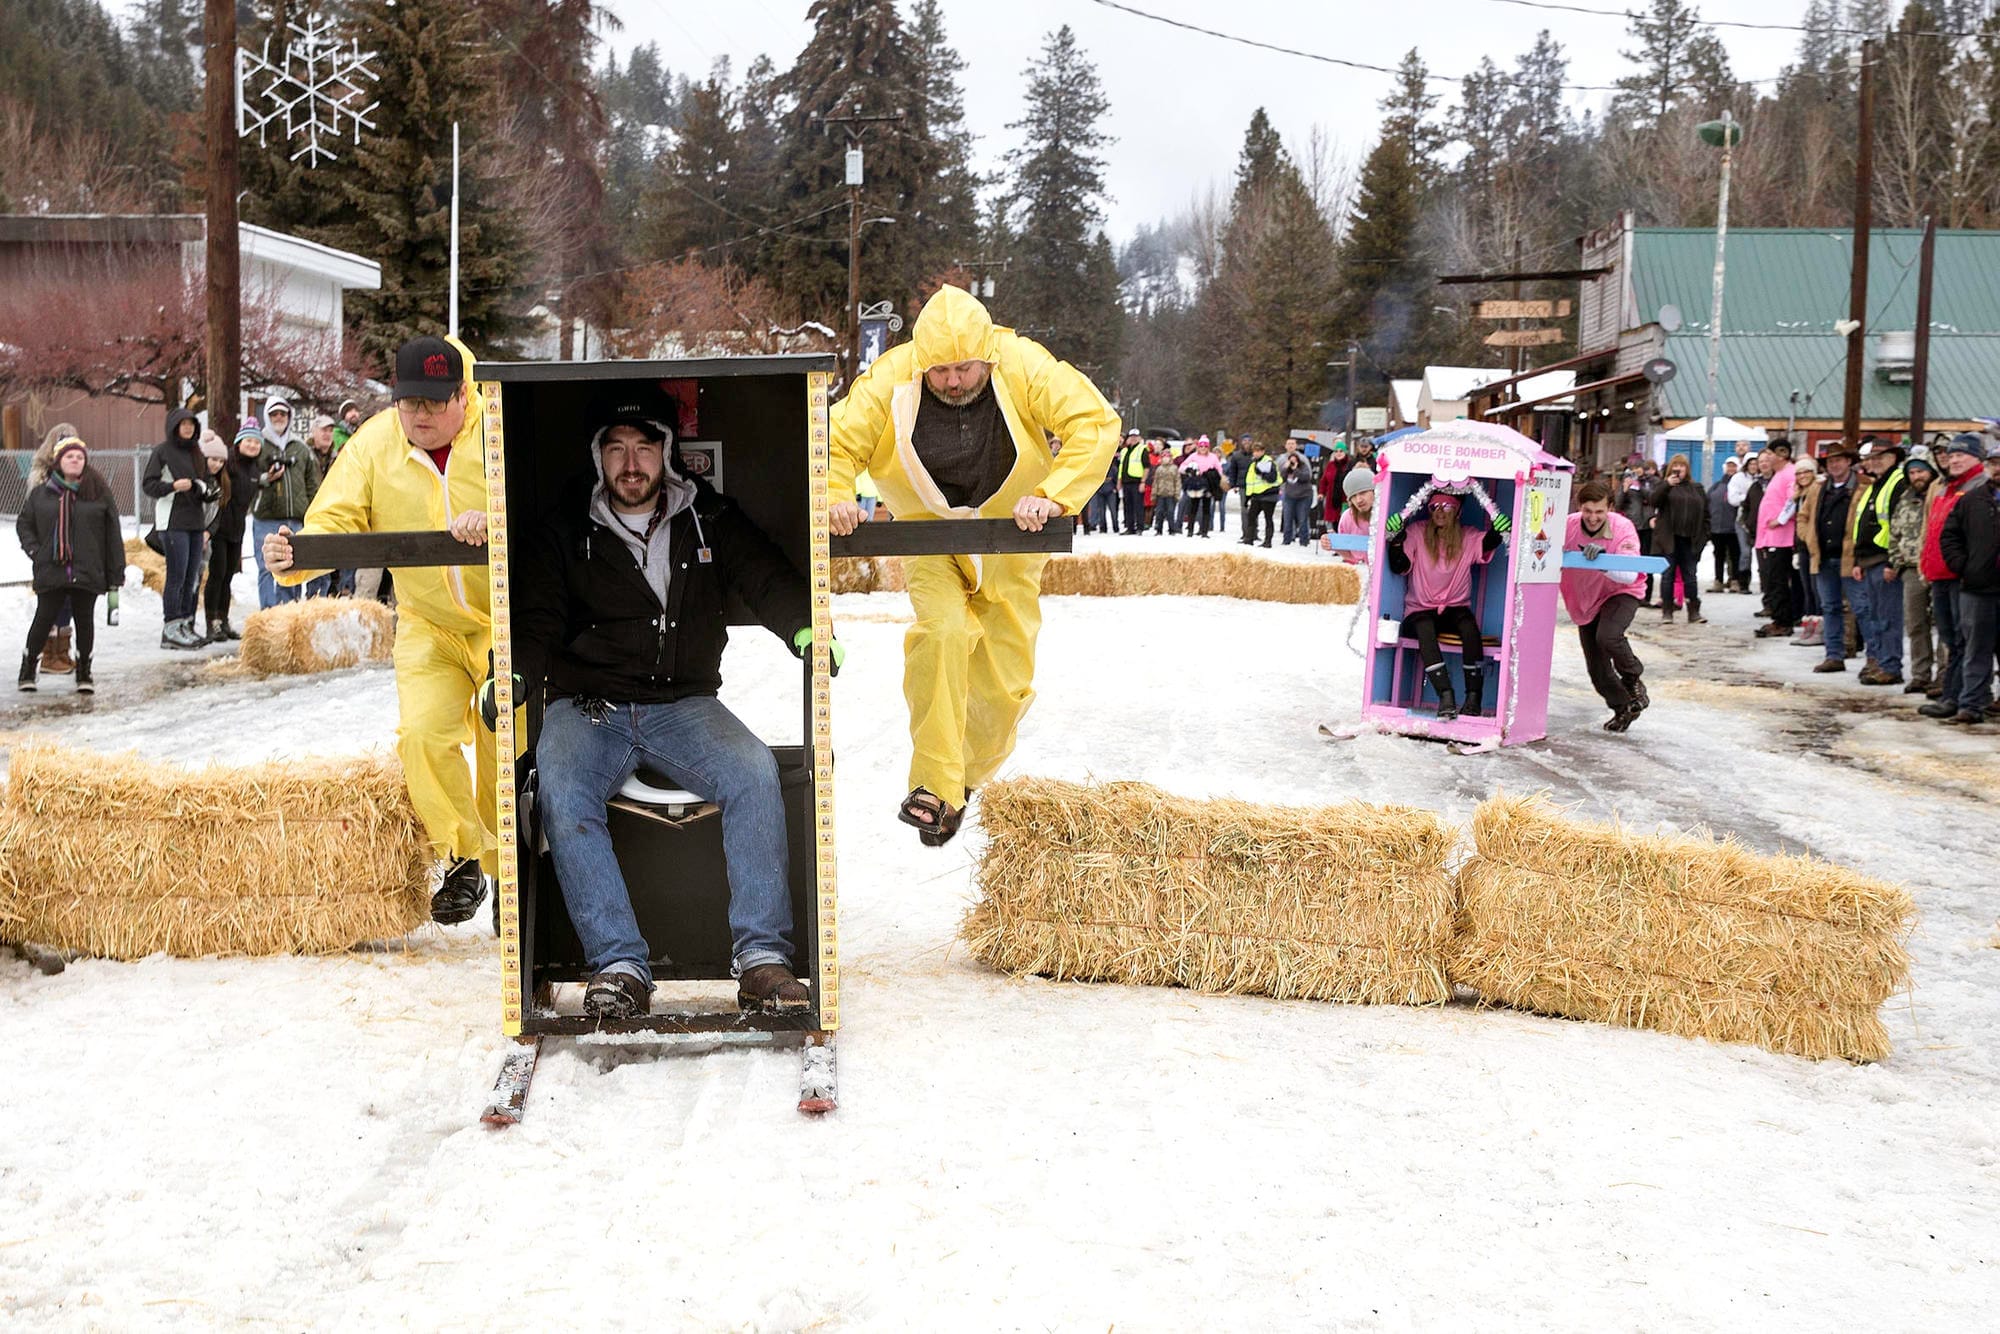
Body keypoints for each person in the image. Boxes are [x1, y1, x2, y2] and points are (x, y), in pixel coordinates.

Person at [506, 387, 823, 1018]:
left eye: (644, 448)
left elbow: (765, 575)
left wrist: (804, 628)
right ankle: (618, 965)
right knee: (563, 789)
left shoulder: (707, 515)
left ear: (666, 452)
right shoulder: (566, 527)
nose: (631, 464)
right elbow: (536, 618)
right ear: (598, 457)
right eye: (616, 449)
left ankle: (762, 960)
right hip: (587, 706)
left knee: (753, 771)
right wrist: (514, 673)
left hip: (683, 704)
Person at [826, 285, 1119, 843]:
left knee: (1004, 688)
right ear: (921, 360)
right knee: (942, 634)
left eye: (963, 368)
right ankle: (934, 788)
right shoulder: (892, 376)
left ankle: (959, 783)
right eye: (940, 372)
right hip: (929, 534)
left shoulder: (1024, 362)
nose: (953, 380)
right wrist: (838, 491)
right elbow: (836, 440)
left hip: (1009, 539)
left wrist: (1056, 494)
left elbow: (1095, 421)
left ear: (988, 355)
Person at [263, 335, 498, 922]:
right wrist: (294, 557)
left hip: (509, 619)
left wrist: (496, 518)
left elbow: (551, 507)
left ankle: (510, 870)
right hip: (428, 623)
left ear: (463, 396)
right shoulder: (373, 445)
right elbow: (334, 522)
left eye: (434, 403)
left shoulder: (499, 429)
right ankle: (465, 854)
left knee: (505, 736)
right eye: (408, 402)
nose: (419, 416)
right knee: (421, 735)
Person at [1384, 484, 1510, 721]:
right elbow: (1398, 566)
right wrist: (1397, 541)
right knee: (1424, 627)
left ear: (1458, 511)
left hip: (1454, 608)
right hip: (1420, 610)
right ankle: (1446, 696)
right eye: (1434, 507)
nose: (1440, 512)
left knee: (1469, 629)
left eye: (1447, 507)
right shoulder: (1417, 532)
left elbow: (1488, 542)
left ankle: (1474, 699)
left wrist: (1499, 529)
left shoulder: (1468, 536)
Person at [16, 435, 123, 694]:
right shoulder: (42, 494)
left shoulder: (98, 494)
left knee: (84, 621)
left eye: (79, 457)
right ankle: (28, 667)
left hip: (87, 568)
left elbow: (112, 535)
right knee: (44, 619)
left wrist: (115, 573)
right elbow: (24, 524)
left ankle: (84, 671)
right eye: (69, 456)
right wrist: (35, 550)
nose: (74, 460)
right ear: (58, 461)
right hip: (51, 568)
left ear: (85, 462)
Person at [1561, 479, 1648, 732]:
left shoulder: (1623, 527)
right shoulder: (1567, 526)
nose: (1593, 517)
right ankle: (1625, 708)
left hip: (1620, 592)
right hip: (1585, 599)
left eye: (1599, 512)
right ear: (1580, 507)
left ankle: (1633, 679)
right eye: (1588, 511)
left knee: (1608, 637)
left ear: (1609, 508)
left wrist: (1604, 562)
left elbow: (1630, 574)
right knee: (1597, 671)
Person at [141, 406, 217, 649]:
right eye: (183, 424)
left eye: (191, 424)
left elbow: (205, 483)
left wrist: (203, 489)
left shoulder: (197, 452)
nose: (188, 428)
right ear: (174, 427)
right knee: (177, 575)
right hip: (172, 522)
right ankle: (170, 628)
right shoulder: (162, 452)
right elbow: (149, 485)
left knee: (192, 577)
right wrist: (173, 486)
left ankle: (185, 623)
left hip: (195, 521)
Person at [1934, 437, 1997, 725]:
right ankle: (1971, 705)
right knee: (1975, 648)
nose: (1997, 470)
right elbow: (1949, 536)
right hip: (1977, 587)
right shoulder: (1973, 499)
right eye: (1994, 464)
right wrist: (1965, 567)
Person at [1846, 439, 1909, 685]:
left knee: (1887, 616)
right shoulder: (1875, 485)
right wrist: (1859, 560)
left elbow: (1897, 526)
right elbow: (1863, 525)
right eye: (1871, 459)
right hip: (1870, 559)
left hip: (1884, 559)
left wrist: (1893, 562)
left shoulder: (1897, 483)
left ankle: (1890, 665)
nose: (1875, 462)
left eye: (1880, 457)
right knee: (1875, 615)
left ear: (1894, 458)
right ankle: (1881, 661)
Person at [251, 399, 323, 609]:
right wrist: (266, 477)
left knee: (293, 567)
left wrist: (312, 510)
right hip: (266, 517)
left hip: (296, 519)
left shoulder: (300, 448)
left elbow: (312, 481)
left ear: (289, 417)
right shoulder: (258, 444)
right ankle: (267, 615)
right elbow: (249, 476)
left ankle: (287, 614)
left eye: (283, 414)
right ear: (267, 417)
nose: (279, 418)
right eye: (274, 414)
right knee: (267, 568)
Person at [26, 421, 82, 675]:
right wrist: (37, 549)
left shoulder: (80, 475)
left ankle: (63, 651)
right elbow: (31, 517)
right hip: (49, 549)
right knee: (50, 602)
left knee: (70, 600)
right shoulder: (41, 477)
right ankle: (47, 654)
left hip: (73, 548)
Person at [205, 424, 262, 642]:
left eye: (257, 442)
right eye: (249, 441)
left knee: (228, 576)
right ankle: (212, 623)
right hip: (218, 527)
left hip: (237, 529)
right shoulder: (227, 461)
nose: (253, 445)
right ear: (239, 442)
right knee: (217, 574)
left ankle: (224, 619)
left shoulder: (254, 469)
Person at [1892, 450, 1939, 695]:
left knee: (1943, 625)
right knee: (1915, 625)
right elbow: (1895, 533)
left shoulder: (1940, 494)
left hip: (1939, 568)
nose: (1916, 476)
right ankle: (1921, 674)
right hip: (1911, 569)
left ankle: (1943, 676)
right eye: (1912, 472)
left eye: (1920, 471)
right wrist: (1896, 561)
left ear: (1931, 471)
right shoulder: (1905, 498)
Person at [1802, 445, 1852, 667]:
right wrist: (1808, 538)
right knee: (1829, 607)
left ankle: (1872, 655)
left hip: (1850, 557)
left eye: (1839, 460)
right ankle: (1833, 654)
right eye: (1830, 462)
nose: (1835, 465)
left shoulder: (1860, 487)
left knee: (1858, 607)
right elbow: (1803, 516)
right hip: (1822, 556)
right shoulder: (1819, 488)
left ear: (1848, 462)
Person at [1647, 453, 1709, 623]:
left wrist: (1704, 536)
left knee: (1690, 576)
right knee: (1668, 576)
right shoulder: (1665, 486)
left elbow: (1706, 514)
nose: (1679, 469)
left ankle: (1694, 611)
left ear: (1687, 469)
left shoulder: (1697, 488)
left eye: (1682, 465)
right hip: (1670, 539)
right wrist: (1666, 484)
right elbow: (1653, 501)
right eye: (1676, 465)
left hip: (1690, 540)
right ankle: (1667, 611)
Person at [1753, 447, 1800, 638]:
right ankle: (1778, 618)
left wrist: (1780, 520)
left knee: (1778, 580)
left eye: (1770, 455)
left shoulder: (1789, 473)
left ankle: (1783, 621)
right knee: (1772, 580)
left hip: (1781, 537)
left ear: (1781, 455)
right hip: (1770, 536)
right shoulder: (1780, 474)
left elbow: (1793, 500)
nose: (1767, 459)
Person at [1615, 471, 1656, 604]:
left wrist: (1640, 487)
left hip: (1646, 528)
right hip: (1631, 527)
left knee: (1645, 562)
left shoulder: (1650, 483)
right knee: (1629, 561)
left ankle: (1645, 596)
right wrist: (1625, 490)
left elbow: (1653, 499)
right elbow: (1617, 505)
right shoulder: (1625, 484)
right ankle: (1629, 593)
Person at [1706, 458, 1742, 593]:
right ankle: (1718, 581)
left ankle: (1734, 580)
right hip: (1716, 528)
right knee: (1718, 555)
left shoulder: (1740, 485)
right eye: (1729, 466)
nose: (1731, 469)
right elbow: (1708, 502)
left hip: (1734, 528)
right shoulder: (1716, 486)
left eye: (1734, 466)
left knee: (1734, 555)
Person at [1179, 438, 1224, 537]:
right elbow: (1181, 467)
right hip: (1196, 484)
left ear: (1208, 447)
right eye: (1201, 446)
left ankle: (1204, 531)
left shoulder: (1213, 457)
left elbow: (1219, 470)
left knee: (1206, 508)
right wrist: (1188, 470)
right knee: (1193, 507)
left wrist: (1215, 477)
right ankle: (1190, 530)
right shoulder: (1193, 456)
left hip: (1208, 485)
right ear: (1198, 447)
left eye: (1205, 446)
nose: (1203, 448)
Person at [1726, 448, 1756, 591]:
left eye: (1756, 463)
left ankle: (1766, 581)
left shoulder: (1763, 479)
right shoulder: (1738, 478)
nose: (1754, 466)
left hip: (1761, 518)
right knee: (1745, 551)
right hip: (1743, 518)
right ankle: (1743, 581)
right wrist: (1749, 498)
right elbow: (1732, 498)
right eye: (1751, 464)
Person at [1239, 440, 1279, 547]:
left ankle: (1268, 541)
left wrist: (1261, 473)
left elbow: (1272, 478)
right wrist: (1247, 497)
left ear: (1263, 451)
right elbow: (1250, 482)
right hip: (1257, 496)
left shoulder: (1268, 462)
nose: (1256, 453)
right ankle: (1249, 538)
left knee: (1268, 518)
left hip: (1269, 495)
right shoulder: (1253, 464)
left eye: (1258, 451)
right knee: (1251, 517)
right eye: (1254, 451)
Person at [1278, 437, 1316, 546]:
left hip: (1303, 494)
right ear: (1285, 446)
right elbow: (1279, 477)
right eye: (1288, 444)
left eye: (1293, 444)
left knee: (1302, 518)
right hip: (1288, 493)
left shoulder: (1303, 459)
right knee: (1287, 518)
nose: (1290, 446)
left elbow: (1307, 476)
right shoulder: (1281, 459)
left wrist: (1295, 469)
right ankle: (1287, 539)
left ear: (1296, 445)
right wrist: (1285, 468)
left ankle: (1304, 540)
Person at [1335, 466, 1375, 565]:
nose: (1358, 500)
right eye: (1353, 496)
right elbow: (1347, 553)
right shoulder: (1347, 518)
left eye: (1363, 493)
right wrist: (1333, 545)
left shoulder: (1386, 514)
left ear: (1375, 491)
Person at [1116, 429, 1148, 535]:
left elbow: (1146, 467)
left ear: (1139, 438)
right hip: (1126, 482)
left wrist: (1143, 482)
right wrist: (1119, 481)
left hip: (1137, 481)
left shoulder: (1142, 449)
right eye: (1131, 436)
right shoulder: (1124, 451)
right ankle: (1130, 527)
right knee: (1127, 506)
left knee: (1138, 505)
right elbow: (1121, 467)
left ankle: (1140, 527)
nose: (1133, 438)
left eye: (1135, 436)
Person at [1221, 436, 1252, 538]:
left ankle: (1253, 532)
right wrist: (1233, 485)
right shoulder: (1236, 456)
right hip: (1243, 486)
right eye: (1244, 441)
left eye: (1249, 441)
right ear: (1241, 442)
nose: (1246, 443)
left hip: (1256, 486)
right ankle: (1246, 533)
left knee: (1254, 510)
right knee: (1244, 510)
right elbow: (1233, 472)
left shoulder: (1255, 454)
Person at [1148, 444, 1181, 535]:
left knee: (1170, 512)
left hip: (1171, 494)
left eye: (1168, 457)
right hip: (1160, 494)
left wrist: (1177, 494)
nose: (1166, 459)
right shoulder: (1159, 469)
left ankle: (1172, 529)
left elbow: (1177, 482)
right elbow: (1155, 482)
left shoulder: (1174, 468)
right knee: (1159, 512)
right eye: (1164, 457)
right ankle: (1159, 529)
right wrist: (1153, 494)